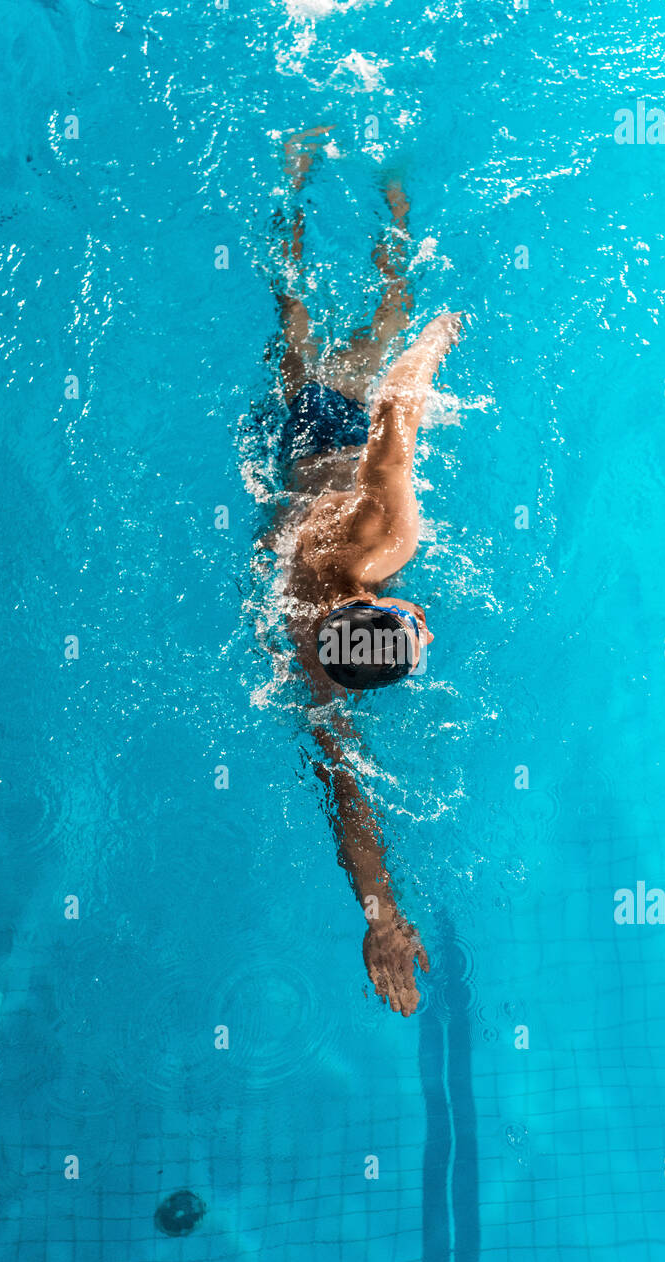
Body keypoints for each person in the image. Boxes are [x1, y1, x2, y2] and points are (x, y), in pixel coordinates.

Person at [265, 126, 462, 1016]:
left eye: (416, 633)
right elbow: (347, 800)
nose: (426, 629)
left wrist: (430, 348)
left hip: (339, 429)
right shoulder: (305, 647)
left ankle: (392, 196)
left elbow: (390, 414)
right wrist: (378, 917)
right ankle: (295, 188)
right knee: (292, 327)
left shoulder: (388, 542)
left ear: (391, 614)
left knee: (389, 313)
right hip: (287, 464)